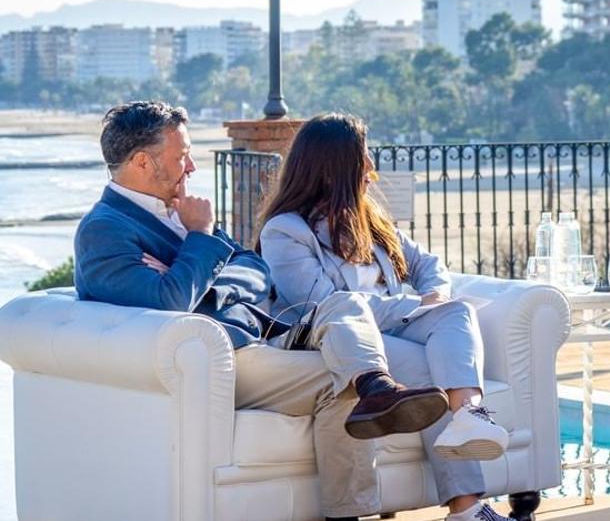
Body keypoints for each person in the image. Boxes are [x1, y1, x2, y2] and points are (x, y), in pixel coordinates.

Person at [74, 101, 449, 521]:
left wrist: (204, 278)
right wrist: (201, 238)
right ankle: (350, 506)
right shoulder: (105, 230)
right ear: (144, 162)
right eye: (182, 157)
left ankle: (376, 385)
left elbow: (255, 268)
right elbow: (169, 302)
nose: (192, 167)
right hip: (214, 360)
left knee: (344, 306)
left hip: (257, 337)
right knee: (338, 380)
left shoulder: (179, 208)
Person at [258, 113, 512, 521]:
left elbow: (428, 264)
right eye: (363, 157)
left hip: (394, 327)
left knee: (456, 310)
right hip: (341, 342)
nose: (372, 168)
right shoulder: (286, 232)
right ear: (333, 166)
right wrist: (413, 307)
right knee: (427, 367)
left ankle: (469, 416)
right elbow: (324, 306)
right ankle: (467, 510)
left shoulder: (369, 220)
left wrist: (434, 295)